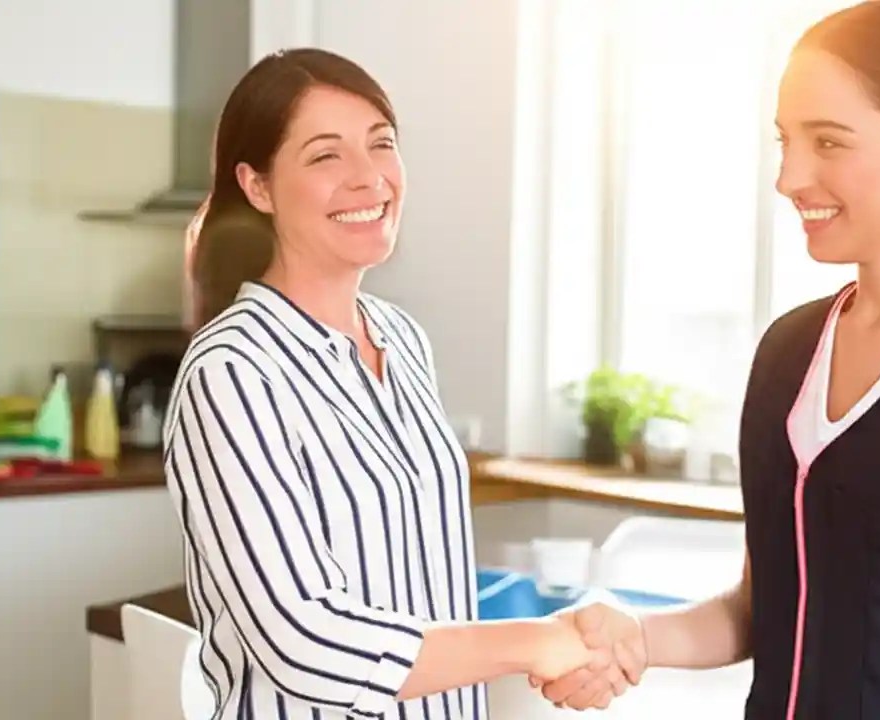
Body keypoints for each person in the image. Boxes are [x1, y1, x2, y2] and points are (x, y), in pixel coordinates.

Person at [535, 2, 880, 718]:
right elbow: (760, 609)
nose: (789, 177)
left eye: (829, 143)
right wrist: (636, 636)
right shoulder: (788, 351)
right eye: (786, 141)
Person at [163, 48, 613, 719]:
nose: (369, 177)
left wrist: (550, 643)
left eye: (382, 144)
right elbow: (300, 639)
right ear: (257, 186)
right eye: (325, 156)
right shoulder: (232, 371)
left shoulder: (401, 340)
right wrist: (531, 642)